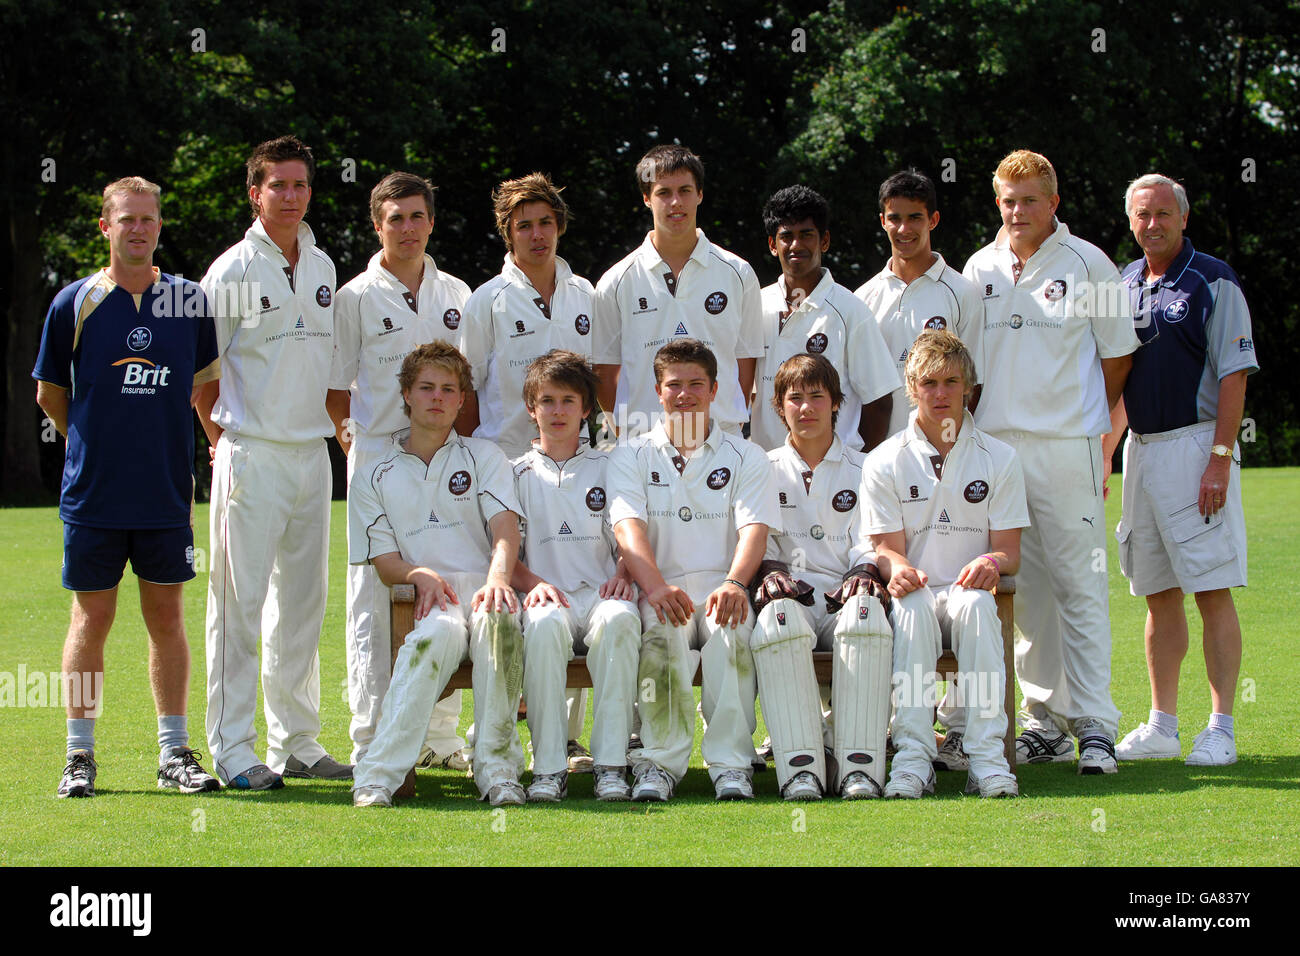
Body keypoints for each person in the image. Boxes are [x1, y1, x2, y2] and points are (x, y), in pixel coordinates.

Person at [34, 176, 220, 797]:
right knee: (92, 617)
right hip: (94, 496)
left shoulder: (189, 302)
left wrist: (209, 451)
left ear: (159, 226)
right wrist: (92, 445)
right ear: (105, 227)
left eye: (147, 219)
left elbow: (204, 388)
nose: (137, 229)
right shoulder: (74, 302)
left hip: (166, 494)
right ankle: (79, 756)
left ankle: (174, 754)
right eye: (126, 219)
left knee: (167, 617)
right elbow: (50, 394)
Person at [963, 149, 1138, 774]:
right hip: (998, 450)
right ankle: (1043, 721)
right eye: (1008, 201)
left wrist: (1089, 425)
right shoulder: (979, 266)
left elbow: (1118, 358)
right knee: (1026, 590)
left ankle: (1095, 725)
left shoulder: (1090, 264)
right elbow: (970, 369)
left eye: (1030, 200)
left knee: (1079, 584)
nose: (1018, 212)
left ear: (1053, 203)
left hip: (1066, 446)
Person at [196, 135, 350, 789]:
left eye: (299, 184)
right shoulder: (231, 271)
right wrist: (223, 444)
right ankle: (233, 747)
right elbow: (203, 377)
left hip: (311, 454)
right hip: (251, 453)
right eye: (277, 185)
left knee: (303, 605)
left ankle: (297, 741)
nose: (290, 196)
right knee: (238, 605)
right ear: (254, 193)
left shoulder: (323, 266)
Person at [1109, 174, 1257, 767]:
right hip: (1141, 450)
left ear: (1183, 218)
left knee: (1211, 589)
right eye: (1142, 215)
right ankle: (1162, 726)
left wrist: (1220, 459)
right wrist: (1106, 453)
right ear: (1131, 221)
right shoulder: (1122, 282)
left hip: (1197, 447)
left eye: (1163, 213)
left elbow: (1234, 374)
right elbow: (1118, 378)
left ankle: (1220, 728)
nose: (1153, 224)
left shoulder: (1214, 280)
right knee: (1157, 593)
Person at [326, 171, 471, 770]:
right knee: (373, 600)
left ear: (431, 222)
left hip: (444, 460)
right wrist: (358, 454)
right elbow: (336, 391)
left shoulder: (458, 293)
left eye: (416, 216)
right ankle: (371, 737)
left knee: (443, 586)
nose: (406, 228)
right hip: (379, 464)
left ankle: (440, 738)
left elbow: (469, 385)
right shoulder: (354, 297)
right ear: (377, 225)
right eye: (394, 218)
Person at [457, 172, 600, 769]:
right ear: (507, 233)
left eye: (545, 223)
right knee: (512, 597)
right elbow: (467, 389)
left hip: (572, 465)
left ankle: (564, 738)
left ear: (559, 226)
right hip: (506, 470)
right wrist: (481, 458)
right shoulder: (486, 299)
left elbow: (600, 376)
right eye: (524, 226)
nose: (537, 235)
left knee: (569, 586)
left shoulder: (587, 293)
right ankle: (491, 735)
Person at [350, 343, 526, 807]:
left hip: (486, 592)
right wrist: (417, 572)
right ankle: (377, 776)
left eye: (449, 389)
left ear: (462, 399)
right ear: (406, 395)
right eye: (426, 387)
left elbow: (505, 528)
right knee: (439, 635)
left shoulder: (484, 455)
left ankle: (498, 770)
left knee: (499, 623)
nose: (437, 398)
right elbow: (383, 561)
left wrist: (498, 579)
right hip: (428, 602)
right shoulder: (373, 474)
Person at [607, 339, 779, 802]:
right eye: (674, 385)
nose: (685, 394)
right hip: (662, 589)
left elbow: (754, 529)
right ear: (657, 391)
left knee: (731, 638)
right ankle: (659, 764)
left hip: (723, 587)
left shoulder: (746, 455)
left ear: (715, 390)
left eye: (696, 384)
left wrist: (736, 583)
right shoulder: (630, 454)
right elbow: (627, 528)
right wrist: (656, 588)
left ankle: (732, 765)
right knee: (663, 639)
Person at [862, 331, 1028, 798]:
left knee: (976, 603)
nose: (940, 394)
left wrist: (991, 561)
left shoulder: (1000, 457)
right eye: (929, 383)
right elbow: (885, 549)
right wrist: (899, 568)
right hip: (914, 596)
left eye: (951, 382)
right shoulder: (884, 460)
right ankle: (914, 759)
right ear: (911, 388)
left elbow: (1010, 551)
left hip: (965, 594)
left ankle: (987, 759)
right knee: (913, 607)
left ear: (968, 387)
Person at [749, 354, 893, 800]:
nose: (806, 407)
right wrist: (770, 572)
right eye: (795, 398)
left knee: (866, 614)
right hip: (789, 597)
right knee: (779, 620)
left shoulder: (866, 467)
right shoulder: (760, 467)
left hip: (843, 597)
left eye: (817, 396)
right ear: (779, 406)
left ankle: (859, 769)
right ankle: (802, 770)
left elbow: (871, 538)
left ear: (836, 404)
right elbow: (756, 538)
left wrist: (865, 570)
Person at [509, 351, 642, 801]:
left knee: (621, 619)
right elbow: (504, 552)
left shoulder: (612, 465)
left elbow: (631, 532)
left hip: (603, 593)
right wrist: (534, 585)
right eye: (548, 400)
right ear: (532, 408)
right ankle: (548, 768)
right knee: (543, 627)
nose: (558, 410)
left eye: (569, 400)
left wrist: (624, 571)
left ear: (587, 409)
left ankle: (611, 765)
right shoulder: (515, 473)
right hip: (545, 597)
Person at [593, 144, 763, 440]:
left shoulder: (739, 273)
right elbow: (604, 374)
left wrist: (723, 426)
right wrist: (630, 435)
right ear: (647, 198)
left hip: (720, 442)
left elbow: (745, 365)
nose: (675, 202)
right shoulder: (616, 281)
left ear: (700, 194)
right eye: (663, 192)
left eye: (685, 190)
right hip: (643, 443)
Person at [749, 185, 898, 452]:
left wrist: (853, 463)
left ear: (824, 241)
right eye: (787, 236)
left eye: (807, 235)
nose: (796, 245)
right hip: (769, 467)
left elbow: (879, 402)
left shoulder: (851, 310)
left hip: (837, 471)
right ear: (773, 245)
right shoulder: (755, 306)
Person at [854, 169, 985, 438]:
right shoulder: (862, 298)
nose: (904, 229)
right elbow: (857, 387)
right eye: (895, 218)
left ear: (933, 220)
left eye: (914, 217)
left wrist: (950, 443)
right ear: (883, 221)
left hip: (943, 448)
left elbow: (973, 383)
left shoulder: (963, 292)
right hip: (879, 452)